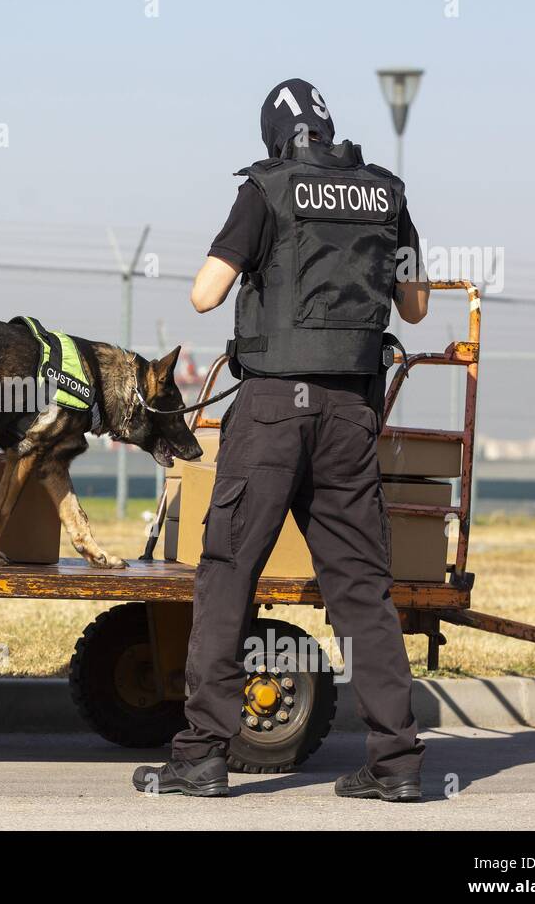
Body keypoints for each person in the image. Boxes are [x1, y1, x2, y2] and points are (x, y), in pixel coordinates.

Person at [133, 78, 430, 801]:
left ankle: (203, 754)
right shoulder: (384, 193)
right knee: (360, 588)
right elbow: (416, 308)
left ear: (275, 136)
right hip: (349, 417)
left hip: (271, 413)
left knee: (228, 573)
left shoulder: (266, 189)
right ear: (332, 128)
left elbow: (205, 293)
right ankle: (394, 763)